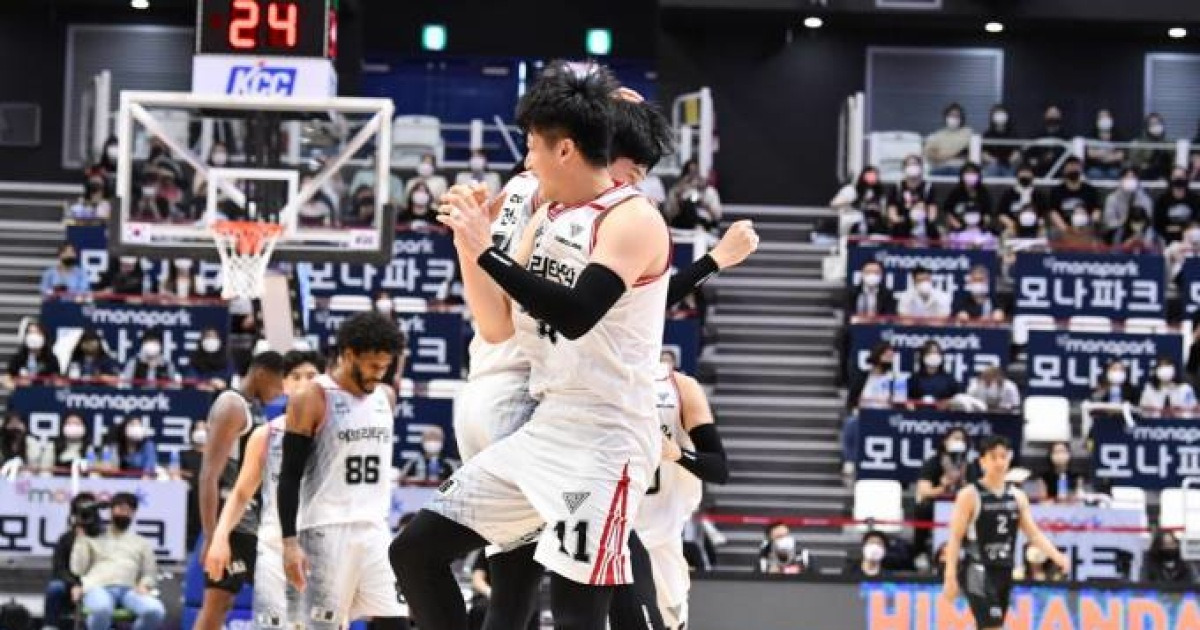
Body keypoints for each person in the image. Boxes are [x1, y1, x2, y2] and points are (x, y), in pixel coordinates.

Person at [444, 94, 752, 630]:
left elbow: (601, 298)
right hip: (538, 397)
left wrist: (472, 247)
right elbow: (597, 305)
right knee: (598, 567)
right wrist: (711, 262)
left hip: (491, 386)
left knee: (521, 584)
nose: (636, 181)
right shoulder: (564, 204)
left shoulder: (529, 191)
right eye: (636, 168)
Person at [390, 62, 672, 630]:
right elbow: (496, 324)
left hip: (606, 438)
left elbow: (577, 313)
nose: (526, 159)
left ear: (565, 149)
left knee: (574, 616)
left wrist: (487, 252)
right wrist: (468, 242)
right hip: (547, 427)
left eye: (532, 146)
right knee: (414, 552)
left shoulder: (633, 219)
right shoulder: (544, 214)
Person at [277, 312, 407, 629]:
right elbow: (289, 475)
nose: (379, 374)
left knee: (395, 621)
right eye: (373, 366)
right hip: (326, 530)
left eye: (385, 367)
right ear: (348, 355)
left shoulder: (386, 397)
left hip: (374, 528)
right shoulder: (312, 397)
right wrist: (289, 542)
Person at [204, 349, 327, 630]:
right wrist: (215, 537)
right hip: (258, 537)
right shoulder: (252, 421)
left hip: (316, 543)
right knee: (221, 604)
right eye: (295, 377)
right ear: (283, 382)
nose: (303, 383)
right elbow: (224, 484)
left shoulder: (333, 430)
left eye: (311, 376)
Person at [613, 356, 729, 629]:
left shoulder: (680, 387)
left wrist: (678, 453)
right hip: (609, 534)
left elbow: (719, 469)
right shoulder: (589, 380)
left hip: (661, 536)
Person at [193, 351, 285, 630]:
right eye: (278, 384)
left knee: (219, 602)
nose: (280, 393)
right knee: (286, 593)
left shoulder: (253, 407)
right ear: (261, 374)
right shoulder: (232, 404)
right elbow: (209, 475)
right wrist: (211, 537)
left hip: (249, 522)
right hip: (235, 527)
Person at [941, 436, 1069, 630]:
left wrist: (1057, 556)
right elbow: (955, 537)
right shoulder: (969, 495)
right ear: (982, 461)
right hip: (977, 569)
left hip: (1003, 570)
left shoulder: (1017, 496)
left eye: (1003, 456)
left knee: (990, 625)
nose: (999, 462)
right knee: (993, 626)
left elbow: (1033, 534)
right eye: (993, 457)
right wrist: (949, 575)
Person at [71, 492, 167, 630]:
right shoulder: (93, 537)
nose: (124, 513)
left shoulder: (141, 542)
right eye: (121, 509)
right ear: (111, 511)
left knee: (155, 611)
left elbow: (150, 572)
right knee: (102, 609)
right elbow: (77, 569)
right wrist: (81, 539)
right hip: (98, 587)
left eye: (129, 511)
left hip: (130, 590)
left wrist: (145, 585)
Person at [843, 342, 903, 473]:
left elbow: (900, 402)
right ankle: (850, 460)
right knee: (851, 423)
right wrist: (860, 404)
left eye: (891, 357)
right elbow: (852, 400)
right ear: (878, 356)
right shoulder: (862, 376)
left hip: (885, 416)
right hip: (864, 415)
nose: (889, 359)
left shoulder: (896, 379)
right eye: (886, 356)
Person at [914, 427, 975, 557]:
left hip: (961, 505)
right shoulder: (933, 462)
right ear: (945, 441)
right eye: (955, 438)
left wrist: (963, 483)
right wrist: (943, 486)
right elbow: (924, 491)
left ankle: (968, 551)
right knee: (923, 509)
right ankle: (920, 552)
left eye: (962, 439)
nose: (959, 441)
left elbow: (975, 491)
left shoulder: (968, 465)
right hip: (936, 505)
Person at [45, 493, 96, 630]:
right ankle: (50, 625)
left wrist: (85, 585)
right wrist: (74, 584)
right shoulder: (65, 538)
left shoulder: (102, 539)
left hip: (94, 583)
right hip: (68, 583)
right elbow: (59, 567)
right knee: (55, 587)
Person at [886, 155, 940, 240]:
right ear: (904, 168)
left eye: (915, 164)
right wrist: (904, 220)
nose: (912, 167)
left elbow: (932, 213)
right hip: (902, 227)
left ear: (921, 167)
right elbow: (892, 213)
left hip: (923, 228)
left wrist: (922, 217)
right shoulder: (897, 188)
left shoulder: (928, 187)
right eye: (909, 165)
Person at [665, 158, 722, 231]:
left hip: (704, 226)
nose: (692, 177)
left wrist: (703, 203)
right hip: (681, 226)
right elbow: (669, 214)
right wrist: (678, 198)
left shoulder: (710, 192)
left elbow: (717, 216)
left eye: (695, 172)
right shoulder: (676, 191)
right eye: (689, 173)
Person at [1048, 157, 1101, 235]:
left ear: (1081, 169)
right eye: (1070, 166)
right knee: (1052, 233)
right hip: (1063, 229)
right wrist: (1066, 229)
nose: (1073, 169)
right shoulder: (1056, 191)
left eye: (1076, 166)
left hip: (1086, 228)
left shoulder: (1090, 190)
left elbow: (1096, 210)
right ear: (1064, 170)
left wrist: (1090, 225)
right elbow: (1053, 212)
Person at [830, 166, 888, 236]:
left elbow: (883, 212)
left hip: (873, 225)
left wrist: (876, 209)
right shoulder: (851, 189)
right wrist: (851, 200)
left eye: (875, 175)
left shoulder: (879, 193)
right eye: (869, 174)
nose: (872, 177)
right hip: (852, 221)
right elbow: (834, 203)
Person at [5, 322, 60, 389]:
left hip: (43, 392)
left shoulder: (51, 359)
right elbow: (7, 377)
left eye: (37, 333)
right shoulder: (18, 358)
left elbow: (56, 380)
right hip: (22, 393)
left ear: (44, 336)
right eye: (30, 333)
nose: (33, 336)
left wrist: (50, 383)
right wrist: (13, 384)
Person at [996, 163, 1048, 234]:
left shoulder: (1038, 195)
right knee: (1006, 235)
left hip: (1036, 227)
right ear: (1017, 176)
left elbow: (1044, 214)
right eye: (1022, 173)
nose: (1025, 175)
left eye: (1028, 173)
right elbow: (1001, 214)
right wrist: (1012, 224)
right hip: (1013, 226)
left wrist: (1040, 225)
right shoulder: (1009, 194)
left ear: (1033, 176)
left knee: (1044, 234)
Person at [941, 163, 992, 233]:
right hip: (958, 230)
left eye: (973, 173)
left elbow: (988, 214)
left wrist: (982, 228)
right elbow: (948, 212)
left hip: (979, 231)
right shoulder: (956, 192)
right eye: (968, 173)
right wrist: (957, 226)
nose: (970, 176)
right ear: (962, 175)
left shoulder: (983, 193)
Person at [1154, 166, 1200, 244]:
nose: (1179, 180)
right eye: (1176, 177)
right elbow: (1158, 225)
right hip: (1167, 241)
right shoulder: (1162, 201)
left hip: (1191, 241)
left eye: (1181, 177)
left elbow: (1196, 223)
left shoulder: (1196, 200)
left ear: (1186, 178)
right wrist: (1183, 227)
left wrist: (1180, 229)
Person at [924, 103, 972, 175]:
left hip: (959, 168)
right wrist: (953, 154)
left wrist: (941, 155)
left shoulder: (968, 133)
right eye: (951, 115)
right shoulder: (937, 135)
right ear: (946, 117)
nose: (954, 118)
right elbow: (929, 154)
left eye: (957, 116)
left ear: (961, 118)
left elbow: (969, 153)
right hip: (940, 168)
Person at [181, 420, 207, 548]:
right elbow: (179, 473)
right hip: (190, 500)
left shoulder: (215, 456)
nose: (201, 432)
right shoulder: (184, 455)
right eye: (198, 429)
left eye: (204, 429)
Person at [1103, 168, 1154, 234]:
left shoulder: (1145, 199)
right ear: (1121, 180)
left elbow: (1149, 220)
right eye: (1127, 177)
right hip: (1119, 230)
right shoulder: (1112, 199)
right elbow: (1109, 222)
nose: (1130, 180)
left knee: (1150, 232)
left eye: (1132, 177)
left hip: (1141, 230)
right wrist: (1124, 223)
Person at [1025, 105, 1068, 177]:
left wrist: (1054, 155)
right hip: (1039, 172)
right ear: (1045, 116)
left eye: (1055, 114)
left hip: (1060, 173)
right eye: (1050, 114)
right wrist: (1041, 159)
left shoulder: (1066, 137)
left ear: (1060, 116)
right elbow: (1029, 155)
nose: (1053, 117)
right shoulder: (1036, 136)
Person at [1129, 113, 1173, 182]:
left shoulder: (1168, 142)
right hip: (1146, 172)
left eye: (1158, 123)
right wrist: (1143, 165)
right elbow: (1134, 160)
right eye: (1153, 124)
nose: (1156, 126)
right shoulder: (1139, 142)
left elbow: (1173, 159)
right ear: (1147, 126)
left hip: (1165, 174)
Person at [1085, 109, 1127, 181]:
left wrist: (1109, 158)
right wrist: (1103, 154)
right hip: (1096, 166)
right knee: (1095, 173)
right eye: (1101, 117)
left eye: (1106, 117)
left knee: (1114, 173)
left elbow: (1121, 154)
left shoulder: (1117, 134)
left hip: (1113, 167)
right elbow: (1090, 153)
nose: (1104, 119)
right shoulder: (1092, 134)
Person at [981, 104, 1019, 177]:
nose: (1000, 116)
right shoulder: (987, 134)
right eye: (997, 113)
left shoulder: (1013, 134)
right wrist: (994, 161)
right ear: (992, 116)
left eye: (1002, 113)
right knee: (991, 169)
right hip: (992, 164)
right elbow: (984, 153)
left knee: (1010, 172)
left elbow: (1017, 152)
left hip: (1009, 164)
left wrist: (1009, 161)